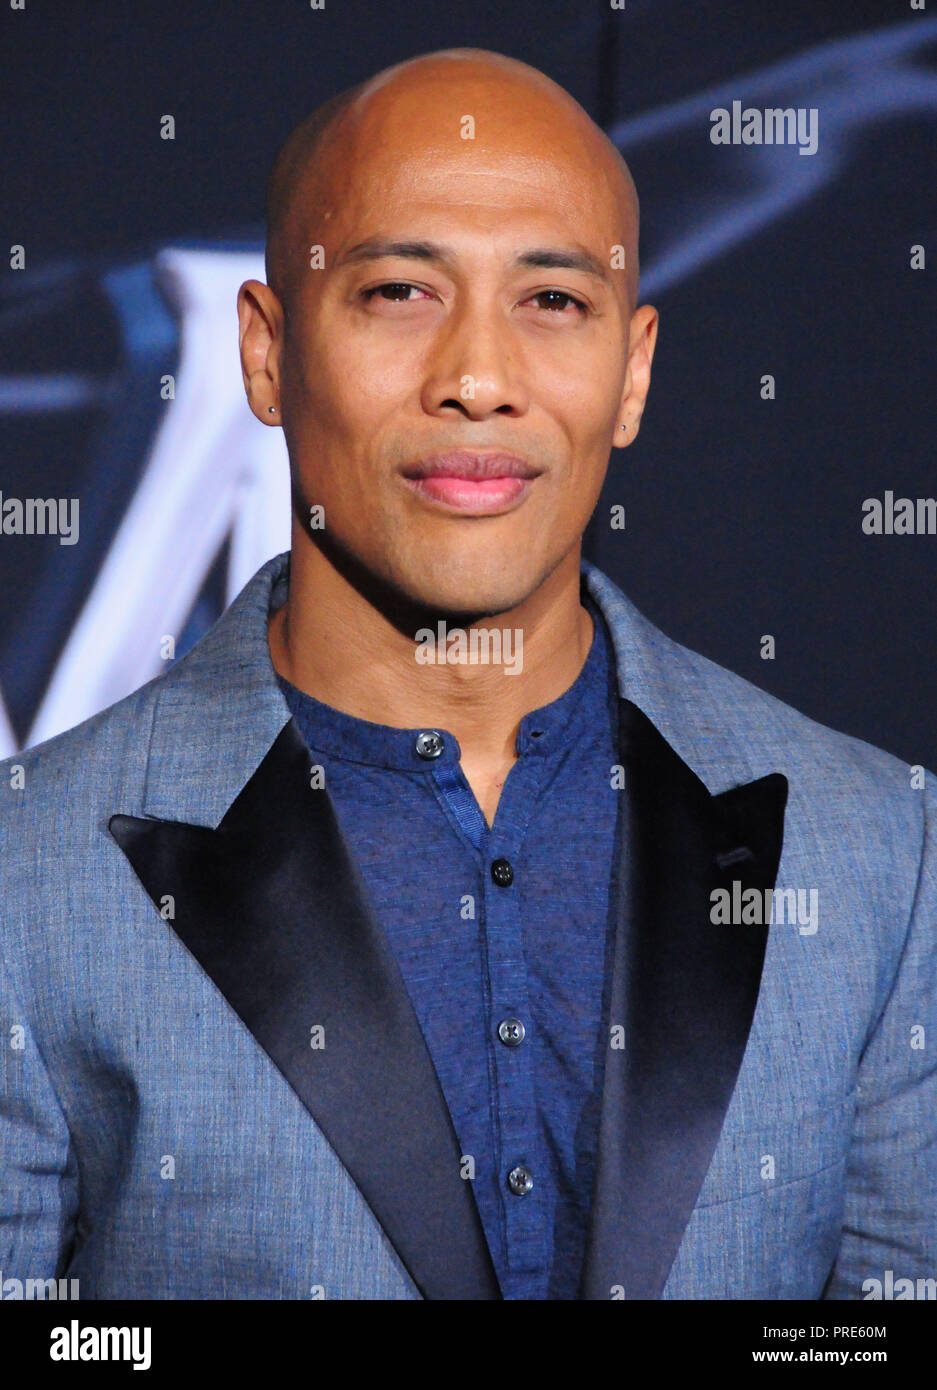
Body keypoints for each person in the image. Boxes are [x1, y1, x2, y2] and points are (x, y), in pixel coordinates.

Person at [1, 48, 934, 1302]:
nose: (479, 379)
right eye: (397, 291)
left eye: (552, 302)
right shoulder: (31, 874)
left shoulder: (874, 848)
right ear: (268, 355)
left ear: (635, 369)